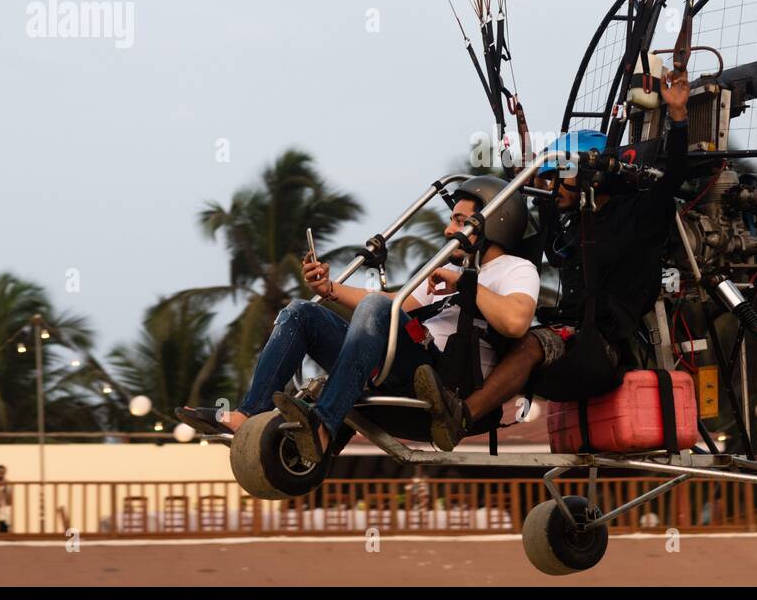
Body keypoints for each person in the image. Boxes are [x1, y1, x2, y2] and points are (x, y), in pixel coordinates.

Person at [416, 69, 693, 450]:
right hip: (571, 336)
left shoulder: (638, 216)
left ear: (588, 175)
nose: (549, 186)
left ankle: (461, 417)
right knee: (495, 333)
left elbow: (672, 177)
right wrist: (524, 138)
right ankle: (432, 392)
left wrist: (678, 116)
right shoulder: (573, 224)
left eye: (557, 176)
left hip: (603, 348)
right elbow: (529, 209)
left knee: (530, 345)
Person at [177, 176, 539, 463]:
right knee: (300, 312)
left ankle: (323, 426)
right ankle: (247, 413)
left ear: (495, 224)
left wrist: (464, 283)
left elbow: (516, 322)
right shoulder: (445, 270)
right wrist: (330, 288)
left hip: (445, 383)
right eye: (451, 220)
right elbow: (393, 304)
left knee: (377, 312)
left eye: (460, 221)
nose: (448, 231)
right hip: (404, 366)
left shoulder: (515, 270)